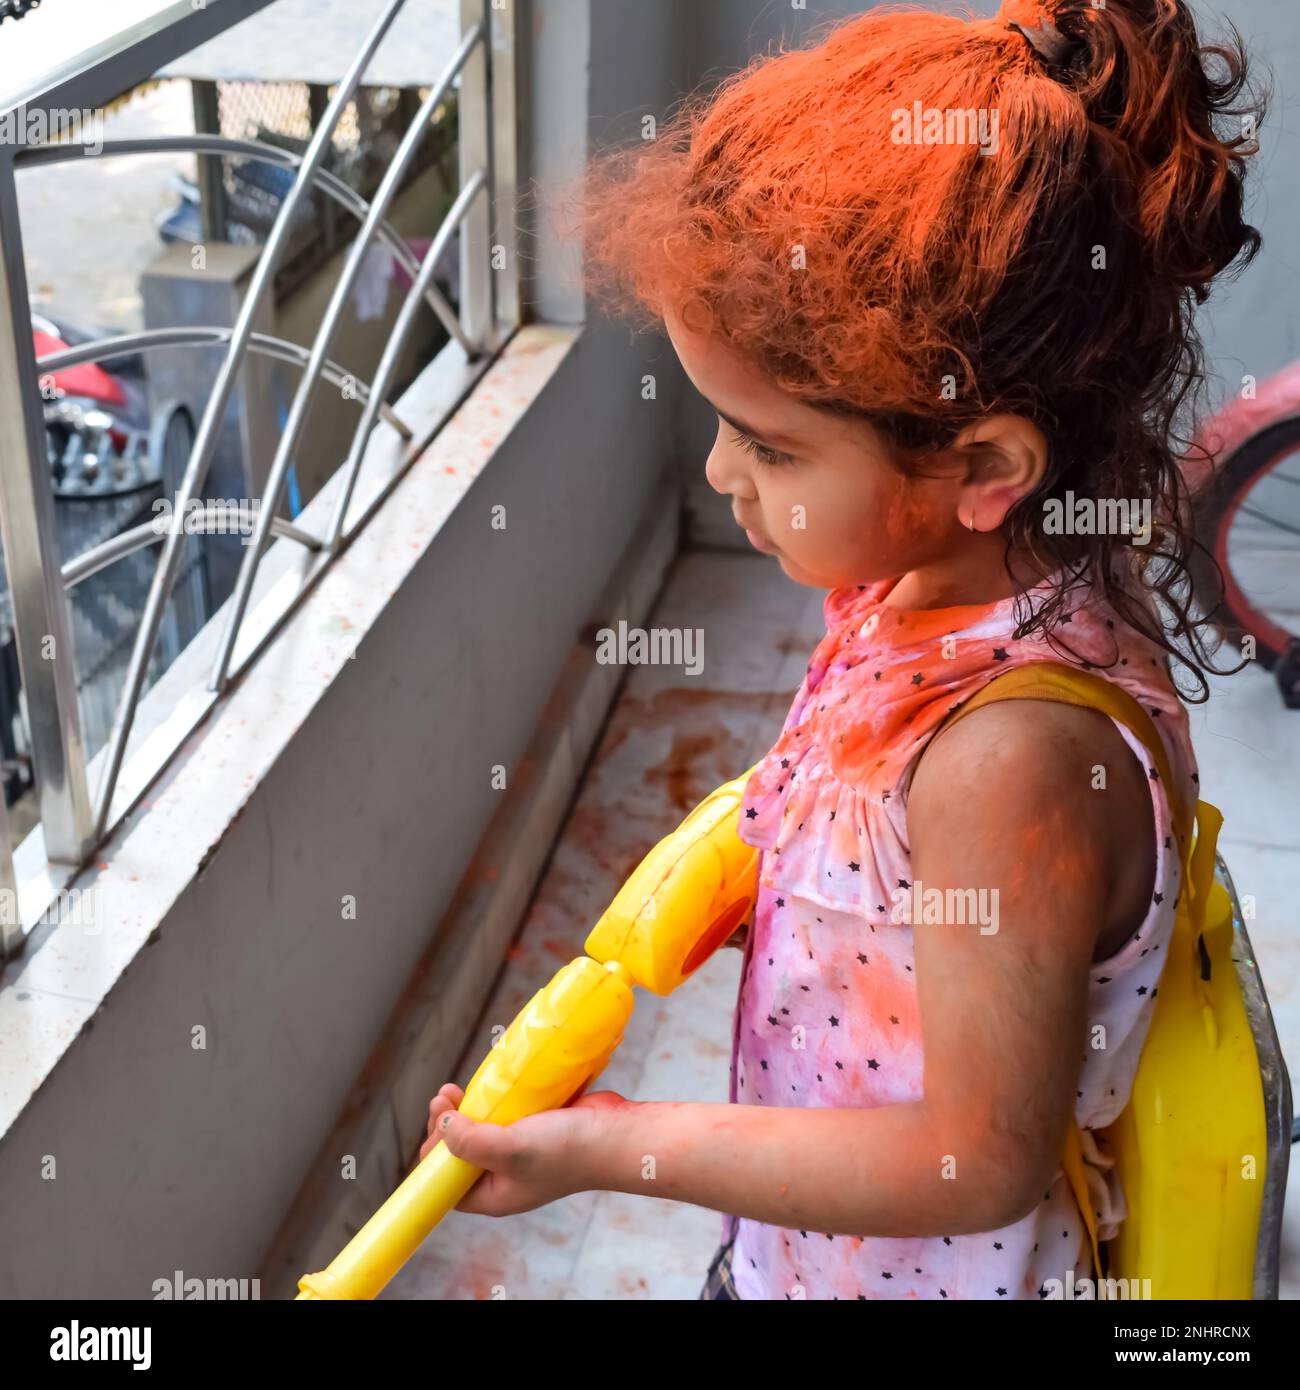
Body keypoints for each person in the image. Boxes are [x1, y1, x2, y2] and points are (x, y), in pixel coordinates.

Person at [423, 0, 1264, 1299]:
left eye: (769, 445)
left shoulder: (1012, 764)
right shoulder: (931, 575)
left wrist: (617, 1147)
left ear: (983, 464)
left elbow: (973, 1161)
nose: (721, 475)